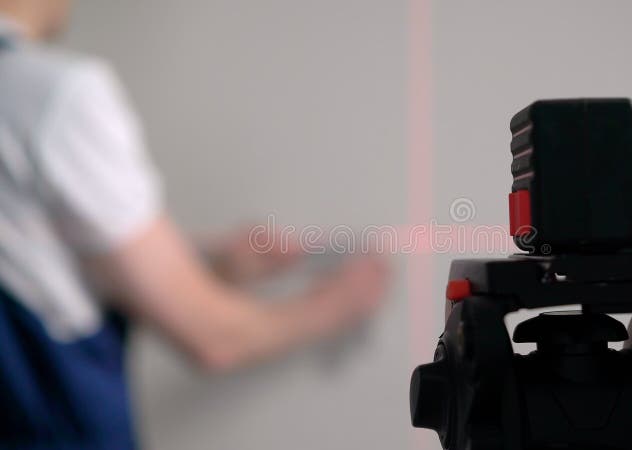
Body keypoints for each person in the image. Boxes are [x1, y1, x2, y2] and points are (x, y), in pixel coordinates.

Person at [0, 1, 389, 449]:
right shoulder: (52, 97)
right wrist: (341, 301)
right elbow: (214, 339)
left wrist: (207, 263)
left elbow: (37, 268)